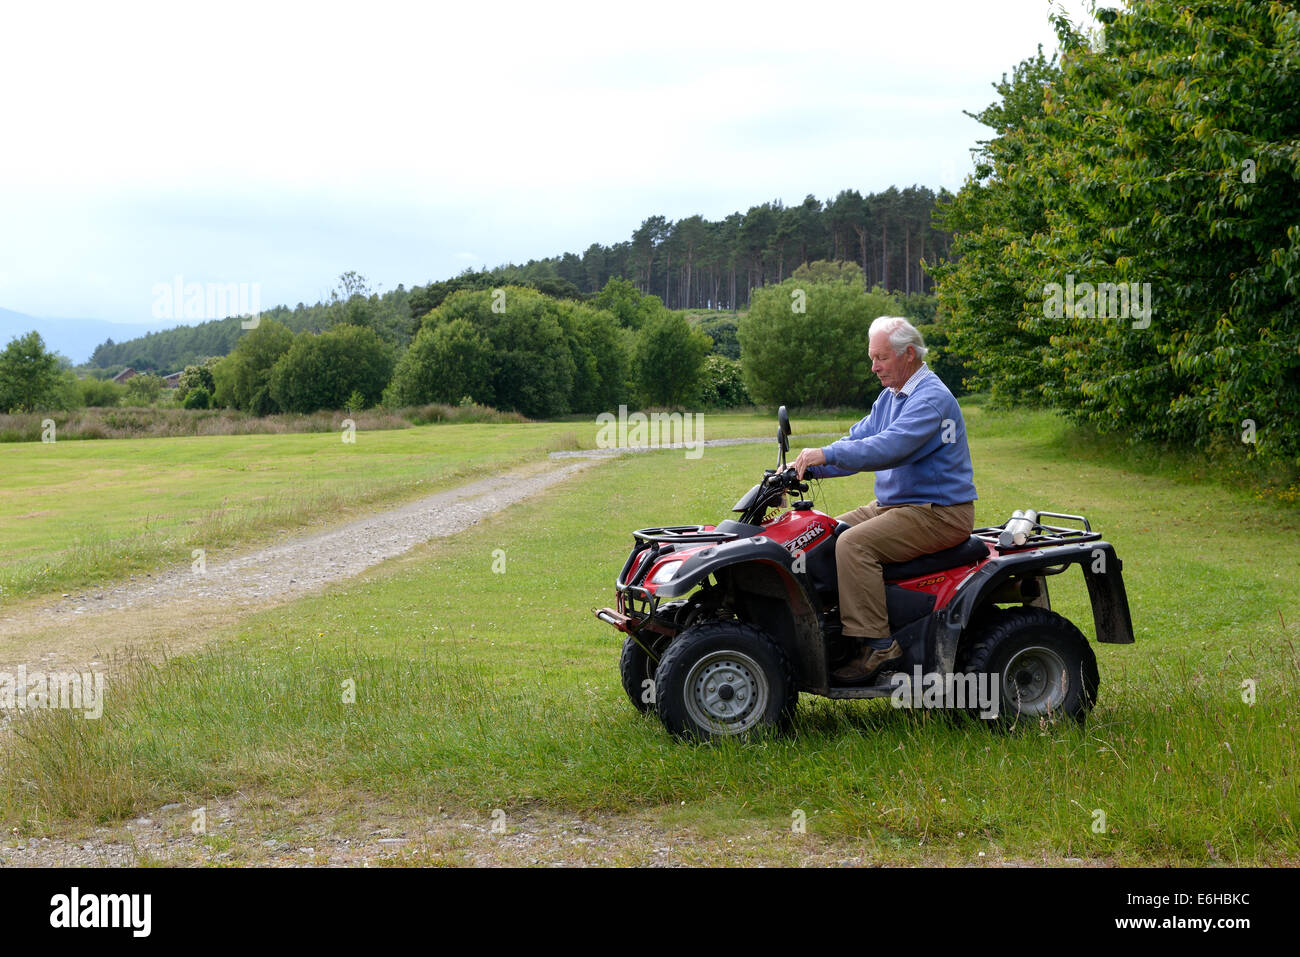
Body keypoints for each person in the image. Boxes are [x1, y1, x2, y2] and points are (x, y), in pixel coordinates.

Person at [791, 316, 977, 682]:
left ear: (909, 354)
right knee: (821, 535)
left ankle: (878, 646)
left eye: (881, 358)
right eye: (872, 358)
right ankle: (828, 628)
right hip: (900, 506)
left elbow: (886, 448)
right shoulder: (892, 397)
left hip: (939, 512)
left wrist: (825, 454)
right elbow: (857, 440)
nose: (874, 367)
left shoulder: (931, 400)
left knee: (852, 545)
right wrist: (803, 470)